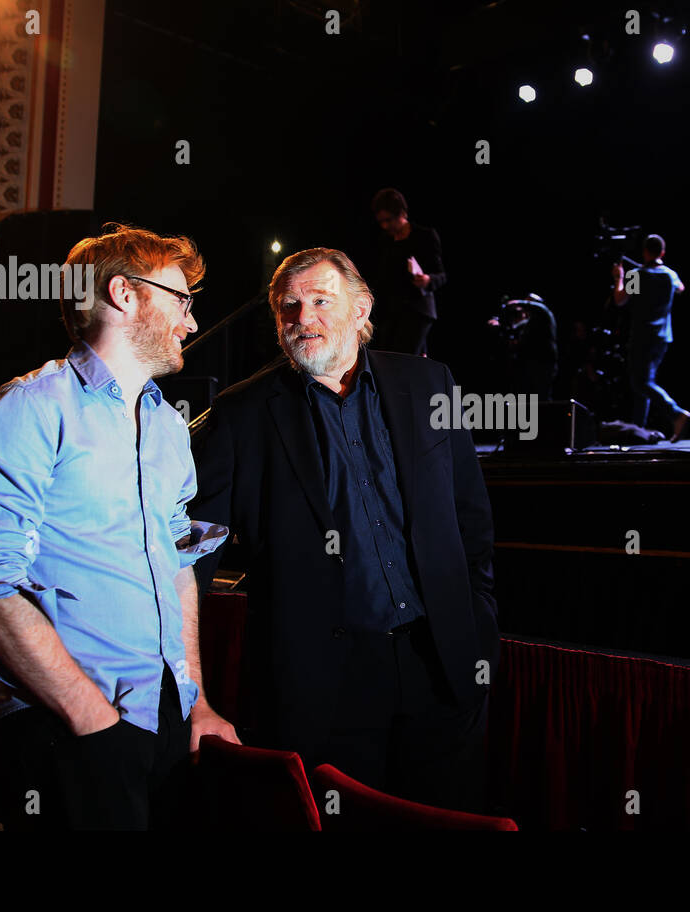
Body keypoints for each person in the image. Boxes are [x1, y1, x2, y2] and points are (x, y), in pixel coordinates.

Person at [188, 247, 499, 813]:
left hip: (443, 666)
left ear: (361, 309)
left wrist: (478, 622)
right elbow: (189, 566)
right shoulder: (240, 415)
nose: (303, 318)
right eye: (289, 307)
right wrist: (193, 698)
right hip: (321, 687)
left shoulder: (431, 384)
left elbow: (471, 519)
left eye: (321, 301)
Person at [0, 224, 238, 830]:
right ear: (125, 294)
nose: (190, 321)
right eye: (181, 300)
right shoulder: (32, 406)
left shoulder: (166, 427)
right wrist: (90, 719)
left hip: (167, 719)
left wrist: (199, 703)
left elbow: (180, 569)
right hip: (74, 724)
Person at [611, 234, 690, 441]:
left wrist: (619, 278)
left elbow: (620, 300)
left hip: (641, 336)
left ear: (644, 251)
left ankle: (676, 413)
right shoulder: (669, 275)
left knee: (641, 383)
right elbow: (681, 288)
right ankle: (639, 429)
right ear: (662, 253)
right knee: (645, 381)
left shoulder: (637, 275)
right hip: (662, 337)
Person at [370, 187, 446, 356]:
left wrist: (428, 280)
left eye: (389, 220)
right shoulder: (385, 240)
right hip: (392, 311)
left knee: (405, 358)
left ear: (401, 213)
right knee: (386, 356)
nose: (385, 226)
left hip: (418, 309)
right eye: (381, 221)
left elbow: (441, 275)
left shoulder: (425, 236)